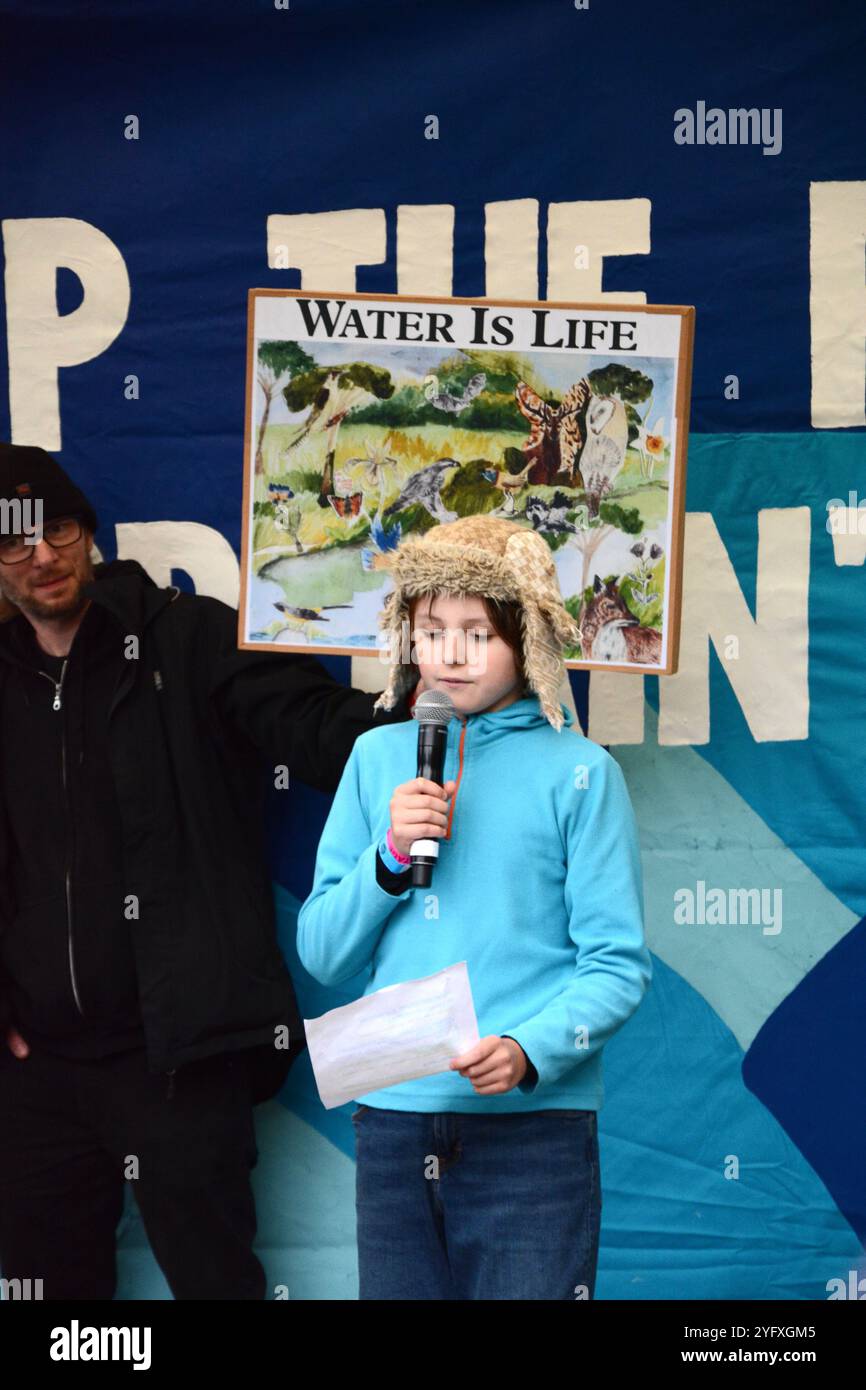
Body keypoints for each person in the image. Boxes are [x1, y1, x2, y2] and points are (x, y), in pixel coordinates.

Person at [0, 442, 410, 1301]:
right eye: (12, 539)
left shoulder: (183, 638)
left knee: (218, 1286)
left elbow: (309, 721)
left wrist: (417, 714)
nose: (41, 553)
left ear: (87, 533)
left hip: (181, 1053)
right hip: (38, 1073)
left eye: (59, 528)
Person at [297, 514, 652, 1300]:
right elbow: (322, 951)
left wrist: (529, 1048)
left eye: (477, 633)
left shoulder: (582, 774)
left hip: (533, 1131)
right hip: (392, 1122)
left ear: (528, 639)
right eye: (430, 630)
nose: (449, 654)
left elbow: (619, 966)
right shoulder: (376, 758)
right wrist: (388, 860)